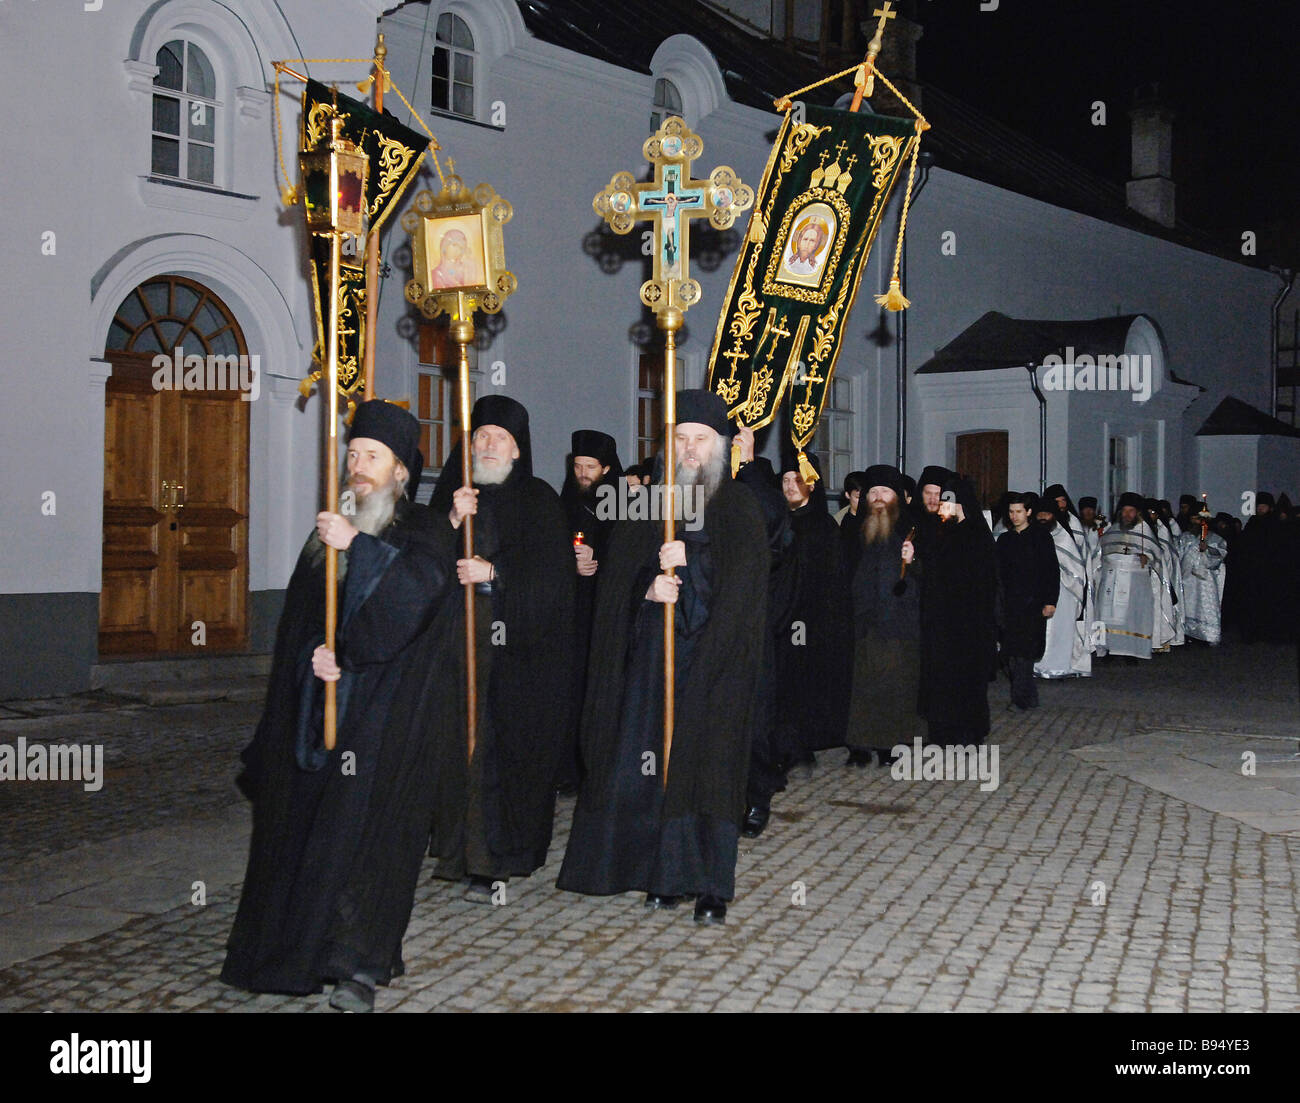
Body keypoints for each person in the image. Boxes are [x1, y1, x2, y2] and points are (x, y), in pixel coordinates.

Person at [222, 401, 454, 1012]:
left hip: (385, 722)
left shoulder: (424, 530)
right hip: (317, 717)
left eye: (371, 457)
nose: (358, 468)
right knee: (306, 836)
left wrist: (361, 556)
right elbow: (302, 622)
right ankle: (294, 951)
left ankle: (359, 966)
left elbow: (414, 603)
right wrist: (314, 661)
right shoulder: (326, 530)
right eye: (353, 455)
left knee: (367, 842)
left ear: (401, 471)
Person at [558, 390, 768, 925]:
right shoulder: (647, 505)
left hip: (714, 664)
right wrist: (648, 589)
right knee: (651, 763)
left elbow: (744, 594)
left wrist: (692, 566)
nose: (690, 450)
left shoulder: (738, 507)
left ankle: (710, 885)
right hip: (655, 661)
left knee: (709, 769)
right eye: (681, 439)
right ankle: (661, 875)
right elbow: (615, 587)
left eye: (701, 440)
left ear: (720, 447)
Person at [422, 395, 576, 899]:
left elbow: (553, 583)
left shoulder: (539, 501)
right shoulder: (454, 495)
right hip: (459, 652)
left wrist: (495, 574)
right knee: (463, 751)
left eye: (499, 439)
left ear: (516, 451)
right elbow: (415, 570)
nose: (487, 445)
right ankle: (465, 851)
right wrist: (449, 521)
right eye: (480, 437)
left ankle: (504, 856)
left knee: (509, 756)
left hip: (520, 657)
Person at [771, 452, 852, 779]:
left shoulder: (822, 526)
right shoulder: (780, 521)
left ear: (812, 485)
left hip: (810, 623)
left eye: (797, 481)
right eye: (786, 481)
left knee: (801, 687)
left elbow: (829, 583)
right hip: (781, 619)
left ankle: (800, 749)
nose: (791, 487)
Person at [844, 465, 924, 767]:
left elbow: (929, 574)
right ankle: (861, 745)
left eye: (884, 492)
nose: (878, 498)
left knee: (894, 686)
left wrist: (913, 561)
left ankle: (892, 745)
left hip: (899, 622)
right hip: (864, 621)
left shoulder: (912, 528)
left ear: (896, 497)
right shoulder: (856, 529)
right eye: (873, 493)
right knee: (862, 687)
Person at [558, 429, 624, 790]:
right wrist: (570, 560)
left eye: (590, 467)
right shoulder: (567, 498)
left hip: (603, 610)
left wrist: (598, 559)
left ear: (607, 468)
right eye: (578, 466)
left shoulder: (622, 505)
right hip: (571, 611)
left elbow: (627, 556)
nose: (582, 473)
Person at [915, 472, 998, 746]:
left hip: (968, 625)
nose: (941, 507)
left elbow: (984, 584)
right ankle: (942, 732)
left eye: (946, 503)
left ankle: (969, 732)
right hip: (940, 622)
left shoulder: (977, 537)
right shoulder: (941, 534)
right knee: (940, 679)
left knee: (966, 680)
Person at [996, 494, 1059, 710]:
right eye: (1011, 512)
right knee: (1009, 655)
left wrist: (1050, 601)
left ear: (1028, 512)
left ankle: (1020, 700)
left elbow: (1051, 571)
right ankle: (1029, 696)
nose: (1014, 516)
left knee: (1025, 654)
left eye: (1019, 512)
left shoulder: (1041, 537)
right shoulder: (1005, 540)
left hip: (1033, 604)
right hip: (1010, 605)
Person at [1035, 486, 1092, 678]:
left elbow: (1075, 567)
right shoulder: (1032, 534)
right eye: (1039, 514)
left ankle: (1059, 667)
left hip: (1064, 590)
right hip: (1038, 590)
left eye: (1047, 514)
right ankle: (1038, 666)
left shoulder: (1063, 536)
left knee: (1060, 630)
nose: (1043, 517)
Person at [1095, 492, 1160, 660]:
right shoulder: (1113, 529)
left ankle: (1132, 652)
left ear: (1138, 513)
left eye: (1131, 511)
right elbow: (1100, 552)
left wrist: (1149, 558)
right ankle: (1108, 648)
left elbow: (1157, 556)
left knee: (1133, 615)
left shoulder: (1145, 530)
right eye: (1124, 511)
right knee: (1106, 614)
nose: (1127, 515)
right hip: (1112, 579)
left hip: (1135, 581)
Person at [1177, 505, 1227, 644]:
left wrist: (1208, 549)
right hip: (1186, 577)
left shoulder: (1214, 538)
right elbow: (1177, 556)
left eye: (1198, 519)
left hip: (1206, 581)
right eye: (1192, 519)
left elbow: (1221, 554)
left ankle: (1206, 635)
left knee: (1204, 606)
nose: (1195, 522)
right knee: (1186, 605)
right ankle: (1187, 634)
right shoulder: (1184, 537)